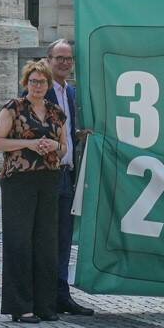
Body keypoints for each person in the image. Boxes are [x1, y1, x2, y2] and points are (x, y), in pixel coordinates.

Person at [0, 59, 69, 323]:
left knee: (46, 242)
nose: (38, 86)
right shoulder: (13, 108)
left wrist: (51, 148)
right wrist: (32, 143)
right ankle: (20, 306)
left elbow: (64, 148)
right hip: (19, 180)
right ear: (25, 83)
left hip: (48, 179)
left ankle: (45, 305)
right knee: (19, 242)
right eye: (33, 81)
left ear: (48, 84)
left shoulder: (56, 112)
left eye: (42, 82)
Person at [45, 39, 98, 313]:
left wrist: (79, 136)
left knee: (64, 236)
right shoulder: (40, 92)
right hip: (47, 174)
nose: (65, 63)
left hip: (67, 173)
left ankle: (61, 293)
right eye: (59, 58)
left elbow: (67, 131)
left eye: (68, 59)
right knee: (46, 237)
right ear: (48, 61)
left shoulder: (72, 93)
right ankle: (44, 295)